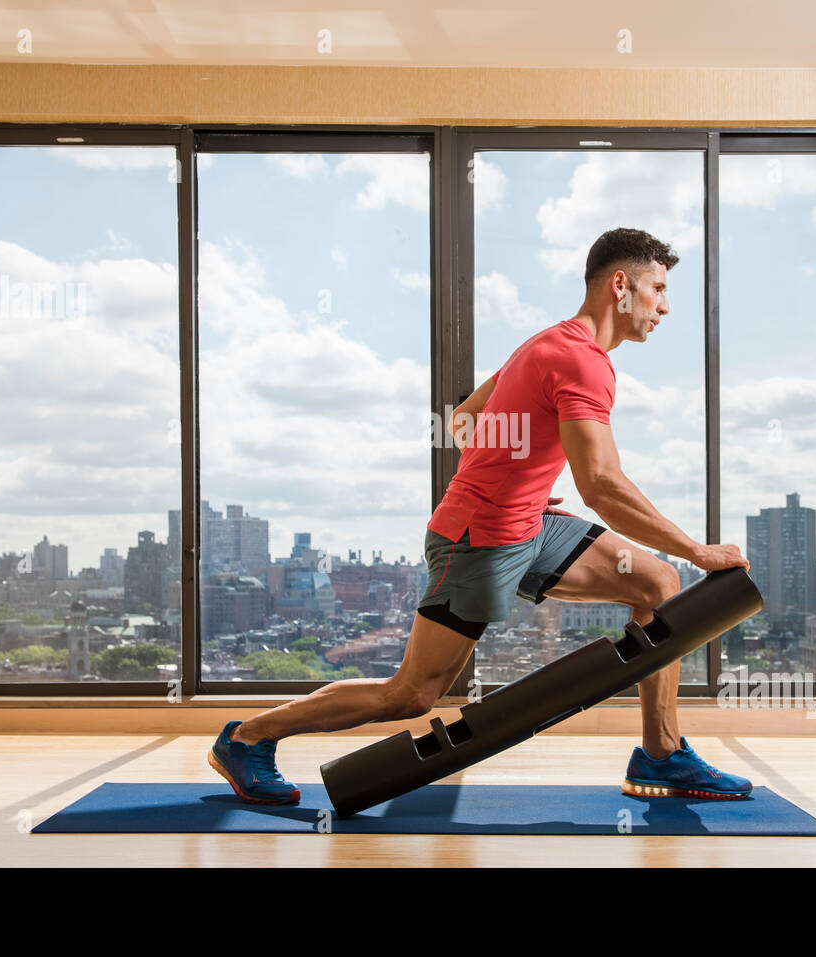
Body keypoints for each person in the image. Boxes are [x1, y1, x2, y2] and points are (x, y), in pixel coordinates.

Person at [208, 227, 753, 806]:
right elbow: (601, 487)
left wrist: (515, 480)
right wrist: (698, 551)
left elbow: (464, 421)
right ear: (621, 285)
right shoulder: (580, 360)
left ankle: (662, 755)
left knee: (657, 584)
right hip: (477, 539)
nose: (665, 305)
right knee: (412, 696)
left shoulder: (544, 345)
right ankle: (247, 738)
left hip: (527, 525)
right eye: (658, 289)